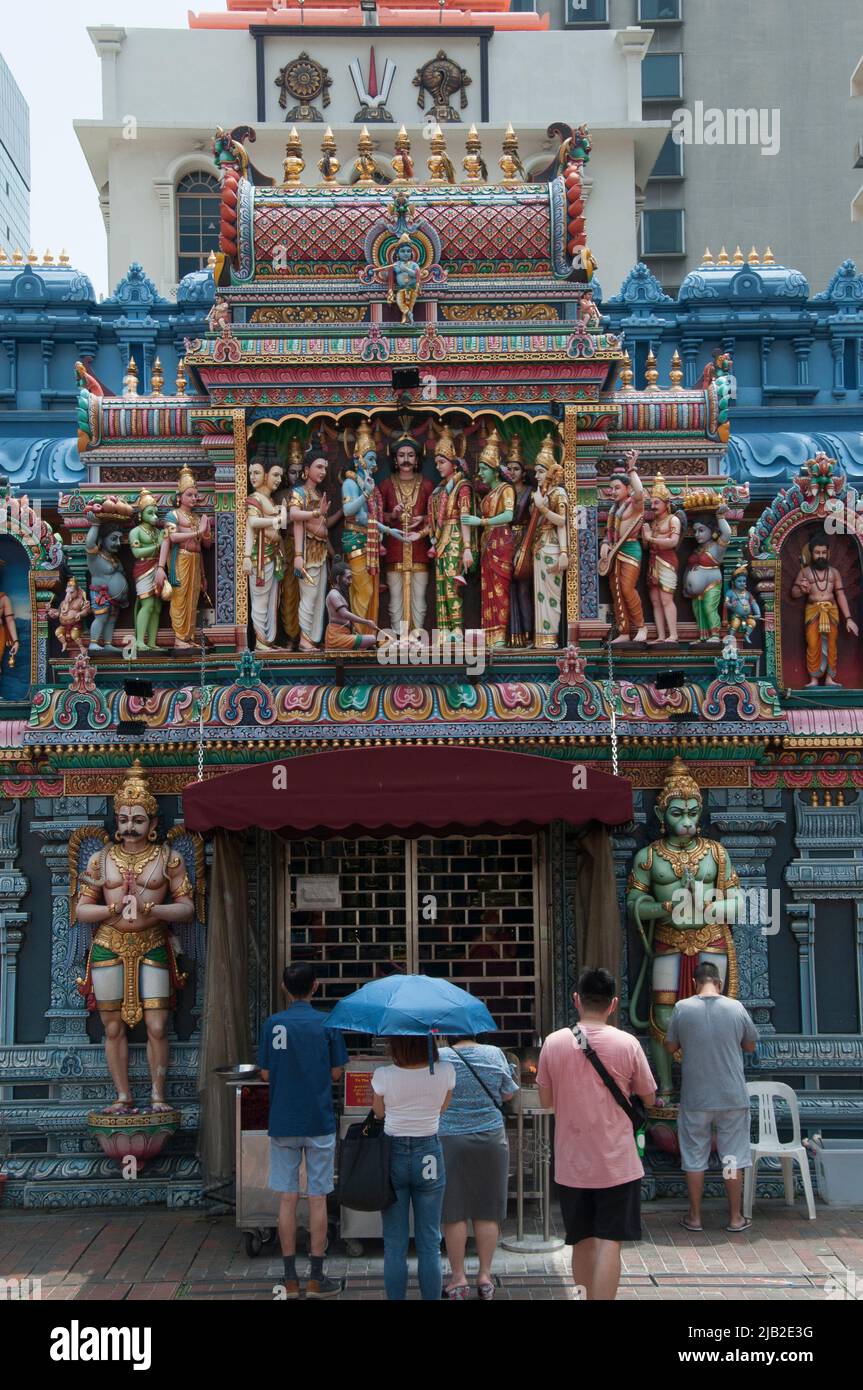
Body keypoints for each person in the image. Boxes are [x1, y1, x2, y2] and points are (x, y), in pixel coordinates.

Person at [537, 967, 656, 1301]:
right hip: (617, 1163)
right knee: (609, 1243)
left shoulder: (554, 1043)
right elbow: (648, 1095)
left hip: (572, 1163)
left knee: (581, 1241)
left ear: (577, 1000)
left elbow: (546, 1101)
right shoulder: (628, 1043)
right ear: (613, 1004)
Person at [259, 962, 348, 1300]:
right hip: (318, 1120)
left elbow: (265, 1074)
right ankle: (317, 1276)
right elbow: (337, 1072)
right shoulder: (328, 1023)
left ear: (284, 987)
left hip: (283, 1119)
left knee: (286, 1197)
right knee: (318, 1196)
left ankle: (289, 1277)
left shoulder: (272, 1024)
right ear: (316, 986)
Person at [664, 960, 758, 1234]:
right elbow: (750, 1045)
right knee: (731, 1157)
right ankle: (735, 1217)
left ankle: (695, 1217)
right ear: (719, 983)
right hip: (731, 1096)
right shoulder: (735, 1007)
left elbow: (670, 1046)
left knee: (694, 1156)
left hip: (696, 1096)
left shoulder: (683, 1008)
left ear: (694, 983)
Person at [371, 1036, 455, 1301]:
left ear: (396, 1045)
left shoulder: (383, 1074)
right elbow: (442, 1108)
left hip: (393, 1153)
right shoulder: (444, 1071)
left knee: (394, 1243)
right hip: (429, 1151)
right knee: (429, 1240)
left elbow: (379, 1113)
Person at [438, 1035, 519, 1300]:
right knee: (487, 1209)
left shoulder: (442, 1057)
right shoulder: (495, 1054)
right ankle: (485, 1277)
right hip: (490, 1137)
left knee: (454, 1209)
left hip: (450, 1137)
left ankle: (458, 1278)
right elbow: (508, 1093)